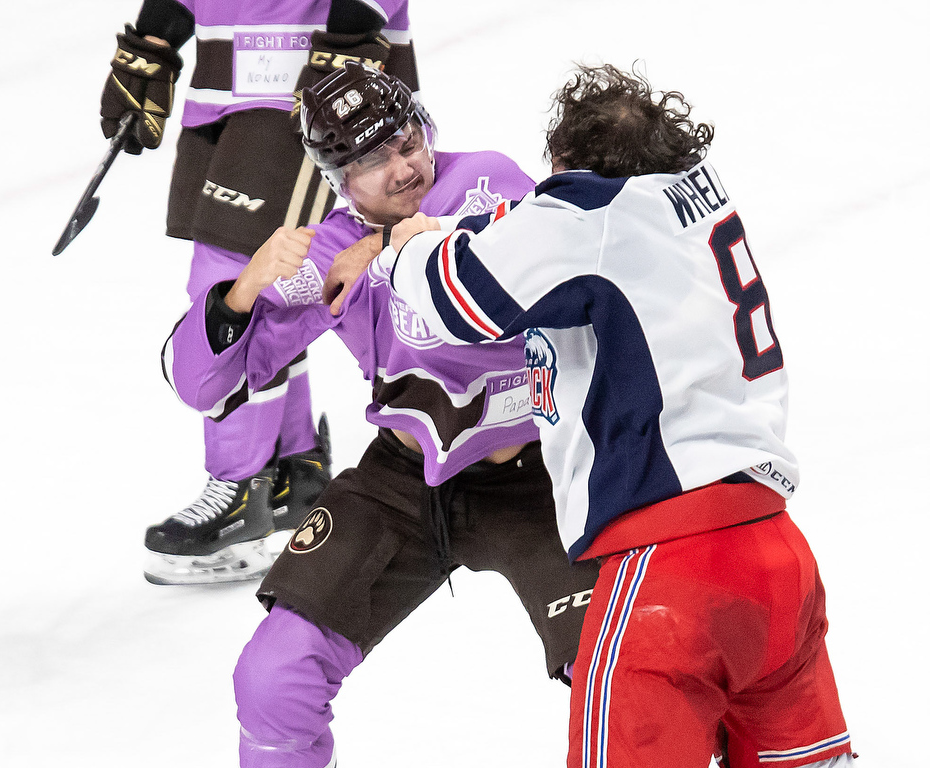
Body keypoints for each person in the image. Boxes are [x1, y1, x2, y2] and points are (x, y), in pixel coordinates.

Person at [368, 63, 855, 767]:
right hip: (777, 561)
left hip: (670, 575)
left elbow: (458, 301)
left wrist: (402, 247)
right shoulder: (692, 197)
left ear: (569, 168)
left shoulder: (583, 218)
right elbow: (543, 232)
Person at [163, 61, 603, 767]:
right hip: (403, 484)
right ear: (337, 180)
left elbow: (536, 256)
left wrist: (396, 251)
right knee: (273, 680)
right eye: (373, 160)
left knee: (629, 672)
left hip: (544, 481)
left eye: (407, 142)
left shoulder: (486, 180)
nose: (405, 168)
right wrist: (242, 290)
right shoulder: (324, 256)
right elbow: (203, 384)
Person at [97, 0, 419, 584]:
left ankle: (243, 483)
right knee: (251, 284)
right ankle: (293, 473)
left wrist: (354, 24)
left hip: (317, 84)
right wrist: (157, 35)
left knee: (235, 283)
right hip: (225, 91)